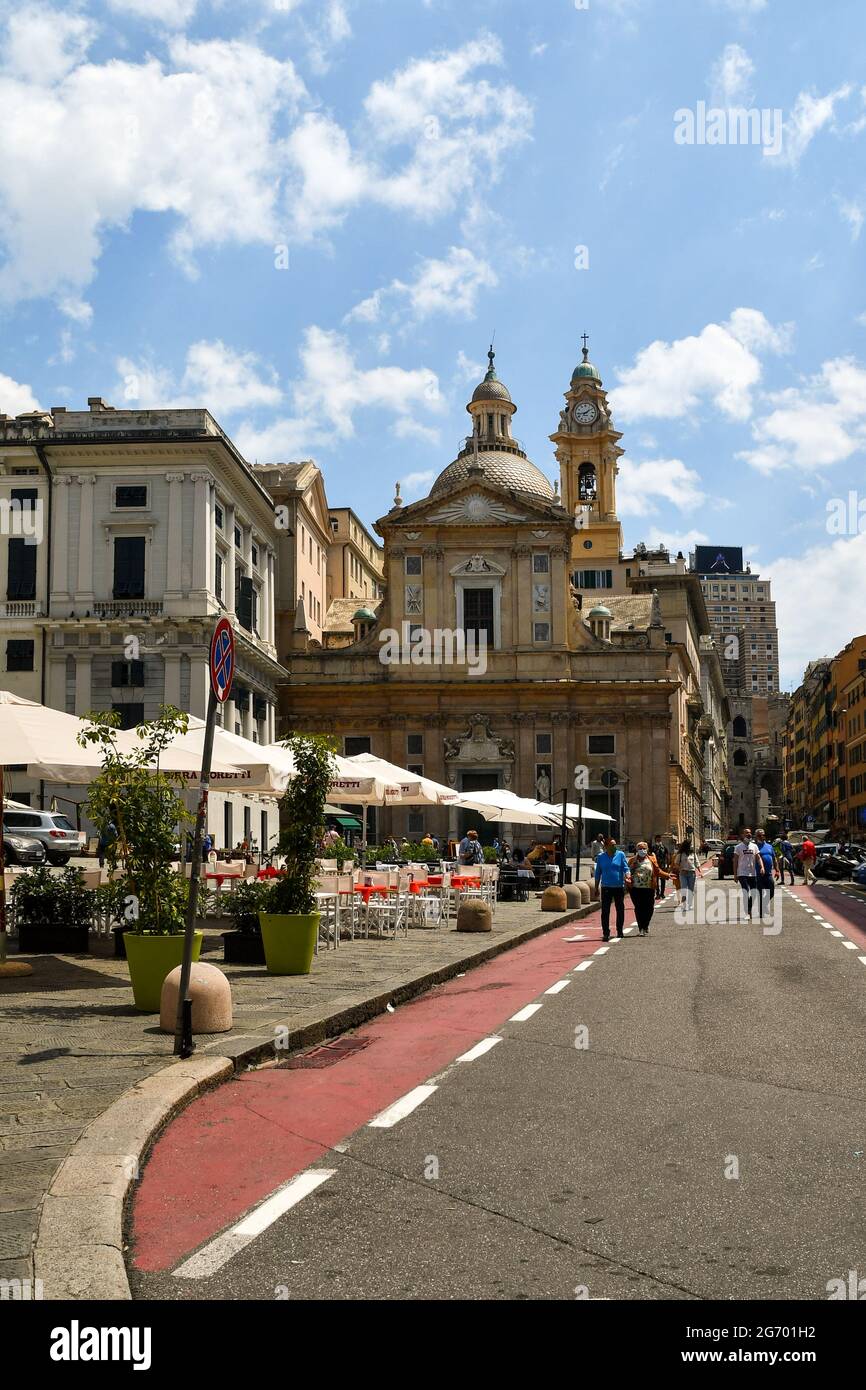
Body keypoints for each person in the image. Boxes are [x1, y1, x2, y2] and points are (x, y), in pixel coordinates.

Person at [594, 837, 631, 941]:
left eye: (615, 844)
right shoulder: (601, 857)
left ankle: (620, 931)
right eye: (612, 845)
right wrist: (596, 888)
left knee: (620, 909)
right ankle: (606, 933)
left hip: (619, 887)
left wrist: (628, 875)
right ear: (606, 846)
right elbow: (598, 873)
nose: (614, 847)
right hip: (606, 887)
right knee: (605, 911)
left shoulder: (620, 855)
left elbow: (625, 867)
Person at [628, 841, 664, 935]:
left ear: (647, 849)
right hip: (635, 888)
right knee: (639, 908)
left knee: (649, 908)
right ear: (636, 850)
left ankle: (646, 924)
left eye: (644, 848)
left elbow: (657, 871)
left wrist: (667, 875)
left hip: (649, 888)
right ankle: (641, 928)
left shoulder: (652, 859)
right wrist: (632, 868)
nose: (642, 850)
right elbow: (627, 872)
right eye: (640, 848)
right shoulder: (632, 860)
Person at [733, 828, 761, 919]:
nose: (749, 834)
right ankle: (747, 913)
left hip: (752, 873)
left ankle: (749, 909)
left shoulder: (754, 846)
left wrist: (762, 867)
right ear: (743, 835)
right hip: (742, 873)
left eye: (750, 833)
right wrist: (735, 874)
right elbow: (735, 861)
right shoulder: (738, 847)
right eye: (746, 833)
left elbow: (758, 857)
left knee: (754, 893)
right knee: (746, 892)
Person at [755, 828, 779, 922]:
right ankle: (761, 912)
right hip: (758, 874)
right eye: (760, 835)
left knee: (771, 891)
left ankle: (763, 905)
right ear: (756, 836)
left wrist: (777, 870)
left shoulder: (769, 846)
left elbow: (774, 859)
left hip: (768, 874)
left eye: (763, 835)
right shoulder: (754, 847)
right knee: (760, 893)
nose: (762, 837)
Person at [674, 837, 702, 910]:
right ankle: (683, 904)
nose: (692, 846)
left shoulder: (693, 853)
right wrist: (680, 869)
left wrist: (700, 872)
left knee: (690, 889)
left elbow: (697, 862)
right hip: (683, 874)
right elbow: (676, 863)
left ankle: (689, 904)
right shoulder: (680, 854)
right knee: (684, 889)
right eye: (690, 844)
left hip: (692, 874)